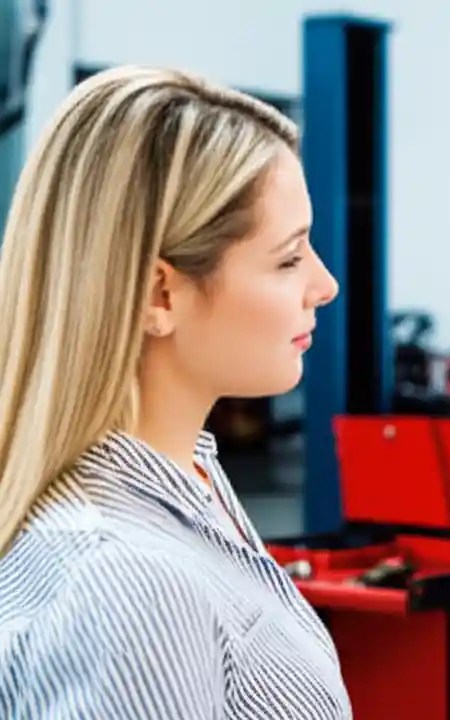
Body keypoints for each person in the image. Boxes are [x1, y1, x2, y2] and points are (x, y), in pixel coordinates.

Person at [0, 66, 348, 718]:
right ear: (161, 294)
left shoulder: (187, 480)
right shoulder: (130, 583)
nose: (324, 284)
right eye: (288, 257)